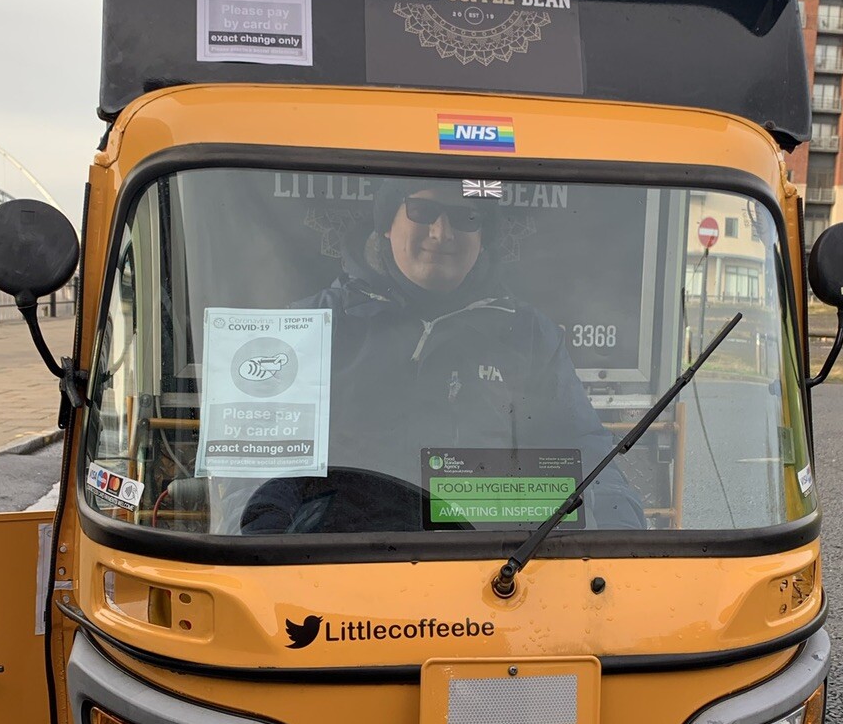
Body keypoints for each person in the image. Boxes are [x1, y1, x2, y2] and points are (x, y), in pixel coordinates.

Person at [240, 177, 645, 534]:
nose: (441, 232)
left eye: (465, 218)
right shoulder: (306, 327)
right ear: (386, 224)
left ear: (483, 234)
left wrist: (623, 539)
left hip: (493, 576)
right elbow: (255, 475)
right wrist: (262, 558)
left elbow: (585, 453)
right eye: (423, 210)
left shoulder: (529, 336)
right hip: (336, 576)